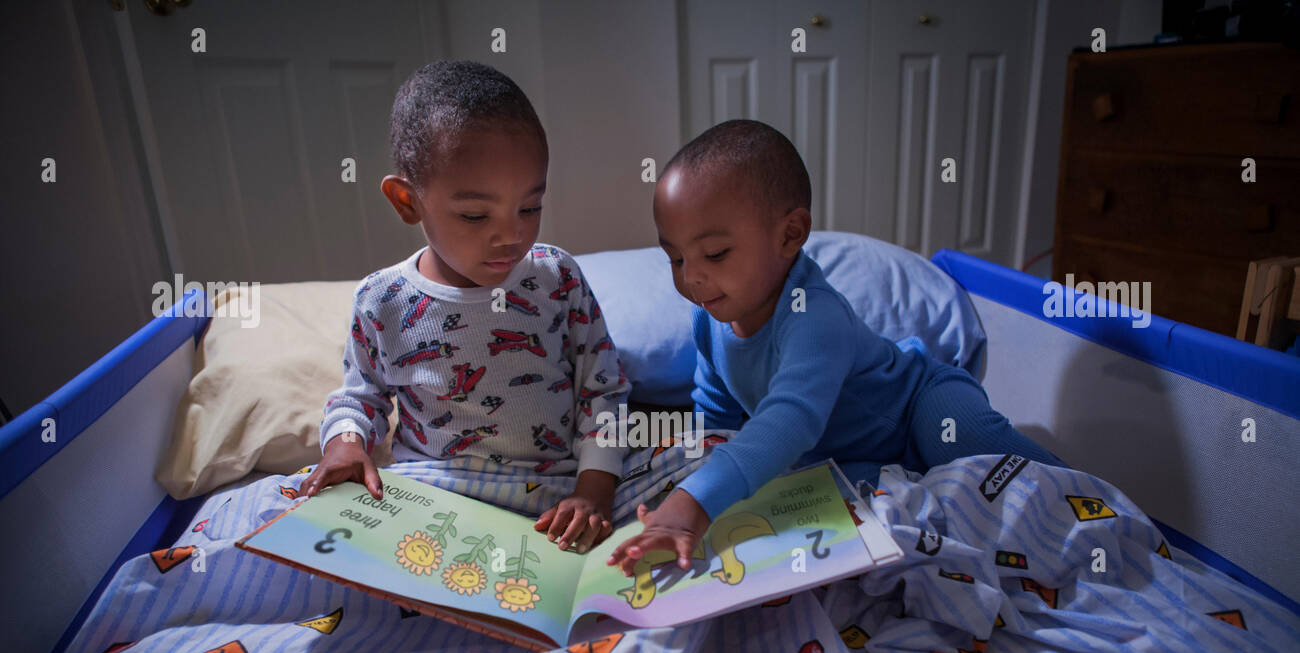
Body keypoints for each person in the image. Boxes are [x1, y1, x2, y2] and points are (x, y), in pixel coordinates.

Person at [609, 119, 1067, 574]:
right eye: (675, 258)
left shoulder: (812, 315)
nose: (691, 277)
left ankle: (1090, 501)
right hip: (848, 456)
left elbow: (789, 419)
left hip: (918, 405)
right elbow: (717, 417)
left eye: (714, 255)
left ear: (790, 235)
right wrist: (686, 484)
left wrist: (696, 500)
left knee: (987, 458)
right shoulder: (709, 319)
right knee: (856, 520)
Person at [302, 60, 629, 555]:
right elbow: (359, 398)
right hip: (431, 497)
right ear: (407, 201)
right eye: (476, 215)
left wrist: (594, 492)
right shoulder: (381, 300)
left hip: (557, 498)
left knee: (704, 461)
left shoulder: (556, 277)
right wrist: (346, 444)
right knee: (280, 514)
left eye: (530, 207)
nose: (512, 235)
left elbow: (604, 392)